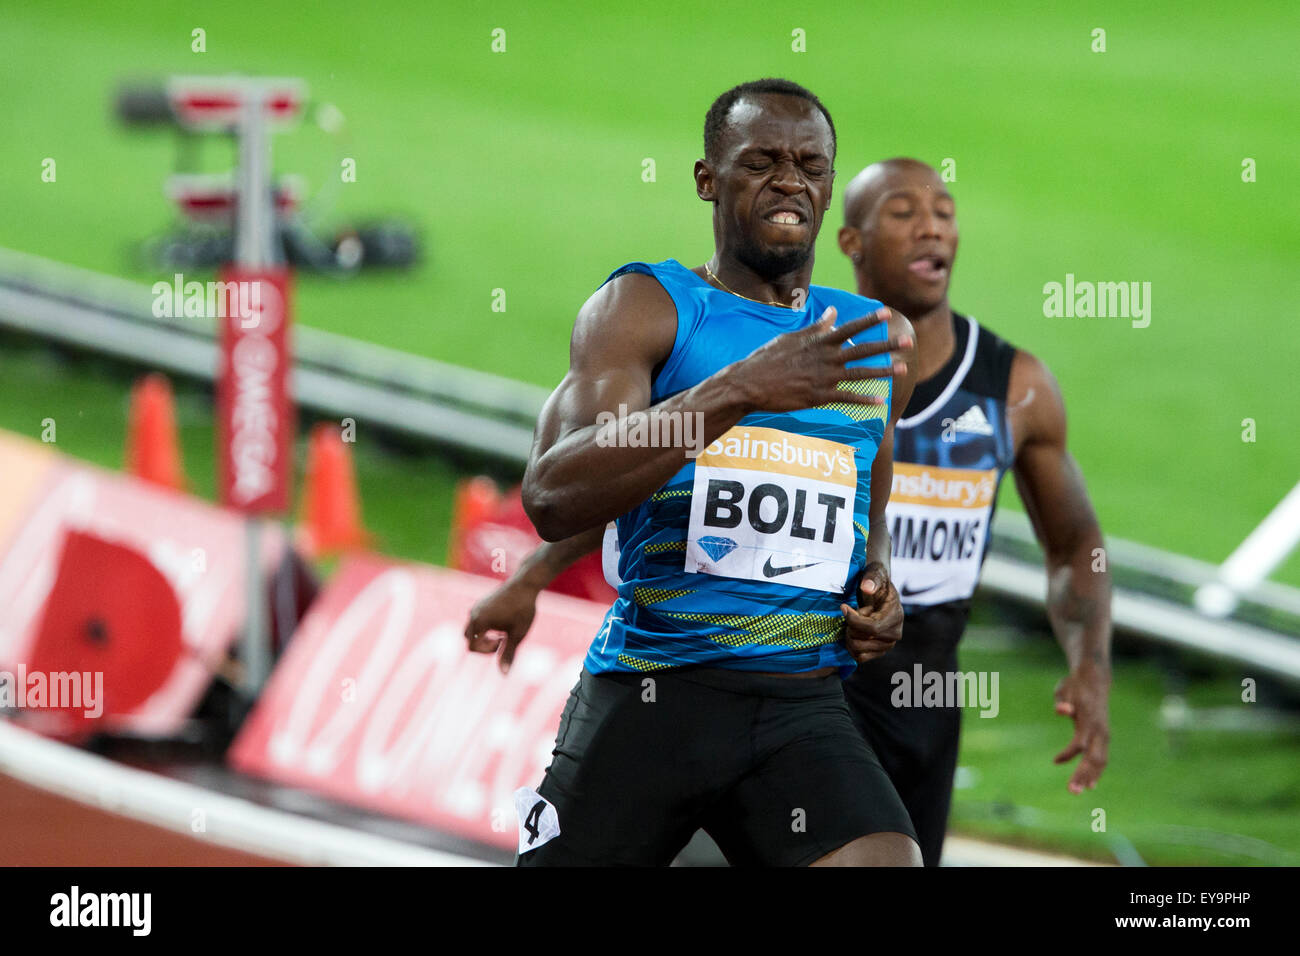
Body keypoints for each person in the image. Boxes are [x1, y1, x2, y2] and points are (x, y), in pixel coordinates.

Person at [469, 157, 1113, 867]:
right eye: (903, 214)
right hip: (676, 682)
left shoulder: (938, 368)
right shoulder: (659, 314)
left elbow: (874, 504)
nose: (930, 229)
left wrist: (880, 579)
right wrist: (532, 575)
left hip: (849, 690)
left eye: (945, 211)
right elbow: (583, 490)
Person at [475, 77, 921, 867]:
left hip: (800, 700)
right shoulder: (646, 308)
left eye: (811, 165)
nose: (791, 181)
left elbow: (864, 501)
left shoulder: (868, 338)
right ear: (707, 180)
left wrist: (879, 584)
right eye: (762, 162)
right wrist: (741, 388)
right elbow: (554, 492)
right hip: (656, 690)